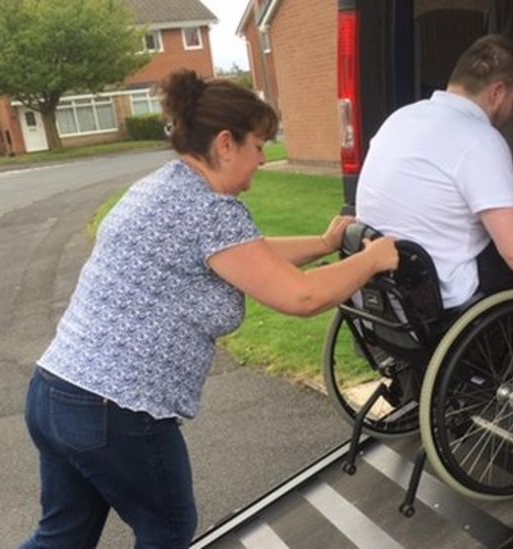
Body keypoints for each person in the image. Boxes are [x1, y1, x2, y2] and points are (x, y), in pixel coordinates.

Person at [21, 69, 398, 548]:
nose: (263, 159)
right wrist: (371, 261)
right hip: (116, 411)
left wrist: (324, 243)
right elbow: (299, 297)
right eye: (258, 145)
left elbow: (250, 258)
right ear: (225, 143)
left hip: (56, 392)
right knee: (168, 530)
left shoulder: (164, 188)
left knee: (63, 536)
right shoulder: (209, 211)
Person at [355, 33, 513, 359]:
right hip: (441, 294)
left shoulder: (400, 119)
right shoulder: (479, 140)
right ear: (497, 92)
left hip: (388, 289)